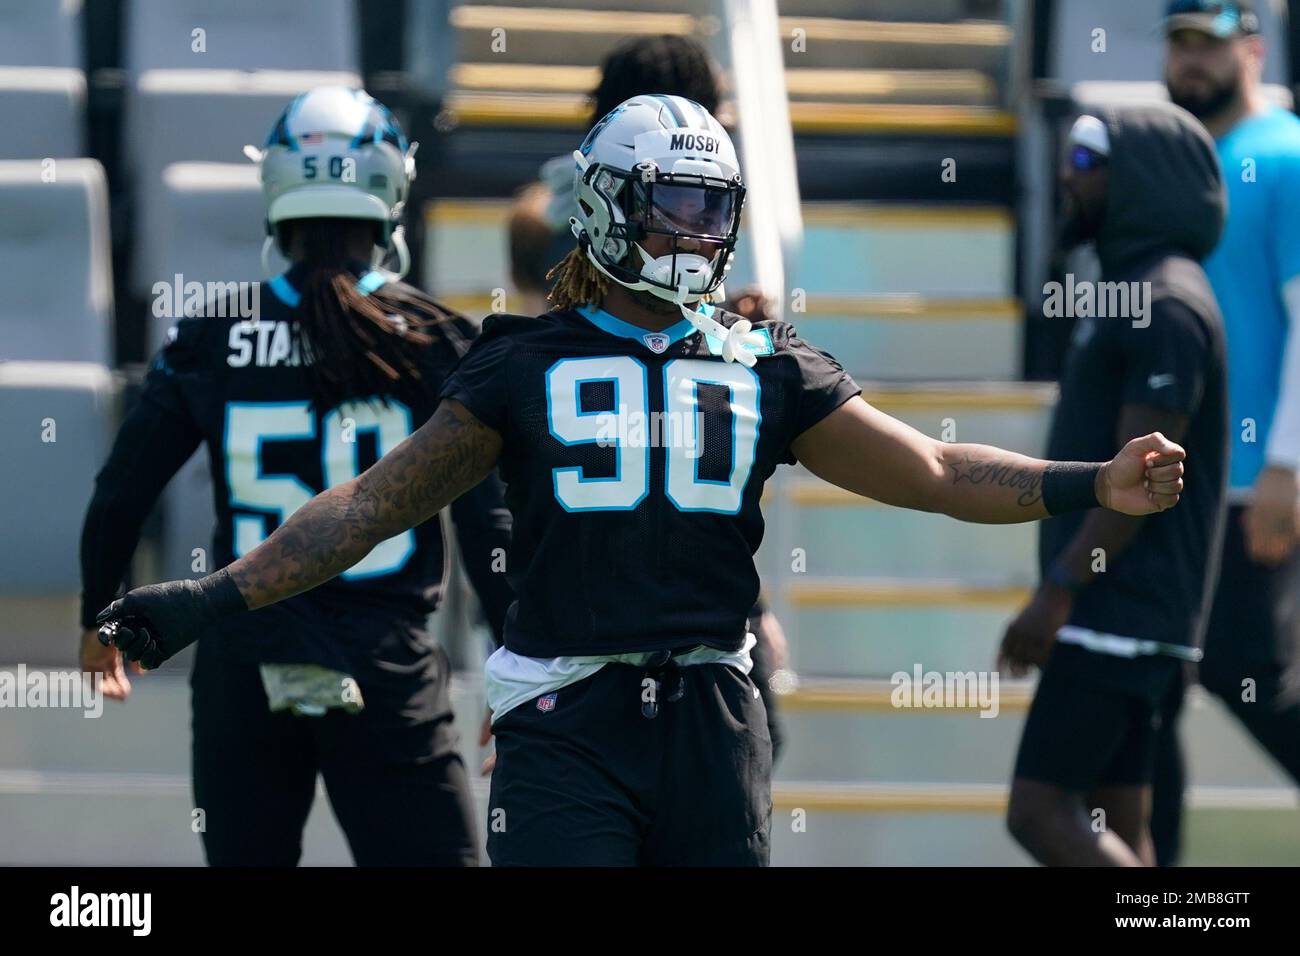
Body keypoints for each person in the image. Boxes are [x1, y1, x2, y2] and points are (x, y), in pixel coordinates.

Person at [98, 94, 1188, 867]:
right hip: (565, 711)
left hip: (714, 705)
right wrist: (203, 598)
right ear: (611, 203)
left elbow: (940, 468)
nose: (698, 231)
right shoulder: (520, 358)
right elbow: (372, 506)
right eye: (674, 202)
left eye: (715, 207)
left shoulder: (765, 359)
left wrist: (1094, 478)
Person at [79, 87, 513, 866]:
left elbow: (122, 489)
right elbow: (491, 524)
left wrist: (95, 616)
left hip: (245, 653)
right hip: (385, 662)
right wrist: (518, 662)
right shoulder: (436, 335)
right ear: (390, 188)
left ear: (277, 186)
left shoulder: (214, 333)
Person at [1000, 104, 1228, 866]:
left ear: (1143, 176)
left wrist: (1061, 589)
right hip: (1132, 616)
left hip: (1115, 610)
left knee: (1038, 810)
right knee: (1122, 831)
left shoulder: (1166, 301)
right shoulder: (1132, 286)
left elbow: (1152, 467)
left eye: (1090, 161)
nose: (1070, 175)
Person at [1151, 0, 1300, 864]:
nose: (1190, 63)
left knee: (1260, 685)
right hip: (1182, 483)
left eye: (1207, 45)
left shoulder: (1282, 154)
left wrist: (1285, 466)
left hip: (1249, 487)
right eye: (1177, 44)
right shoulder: (1189, 159)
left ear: (1250, 48)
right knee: (1149, 689)